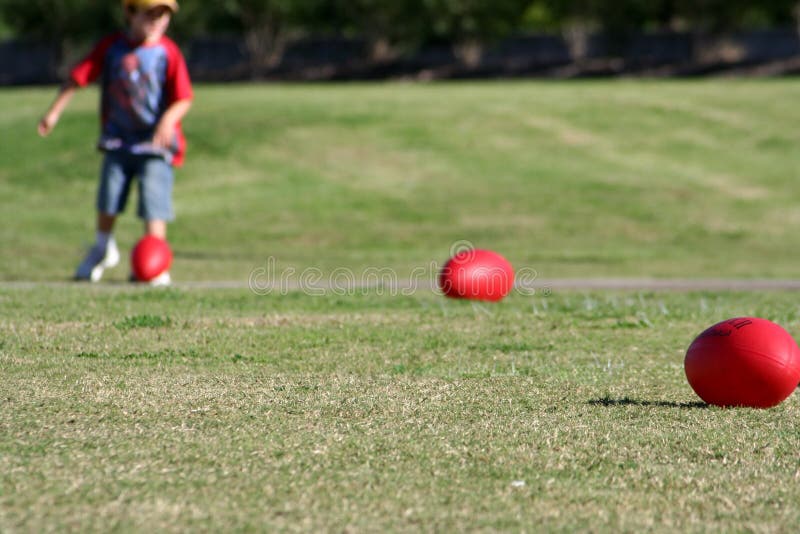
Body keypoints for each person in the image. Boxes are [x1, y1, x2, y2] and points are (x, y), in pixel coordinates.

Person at [38, 0, 193, 285]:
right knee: (108, 198)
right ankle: (102, 248)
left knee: (154, 202)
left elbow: (183, 97)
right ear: (129, 13)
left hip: (154, 145)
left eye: (163, 15)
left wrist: (168, 120)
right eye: (150, 14)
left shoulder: (168, 53)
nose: (157, 21)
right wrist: (53, 112)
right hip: (118, 141)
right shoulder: (112, 48)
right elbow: (78, 77)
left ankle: (154, 264)